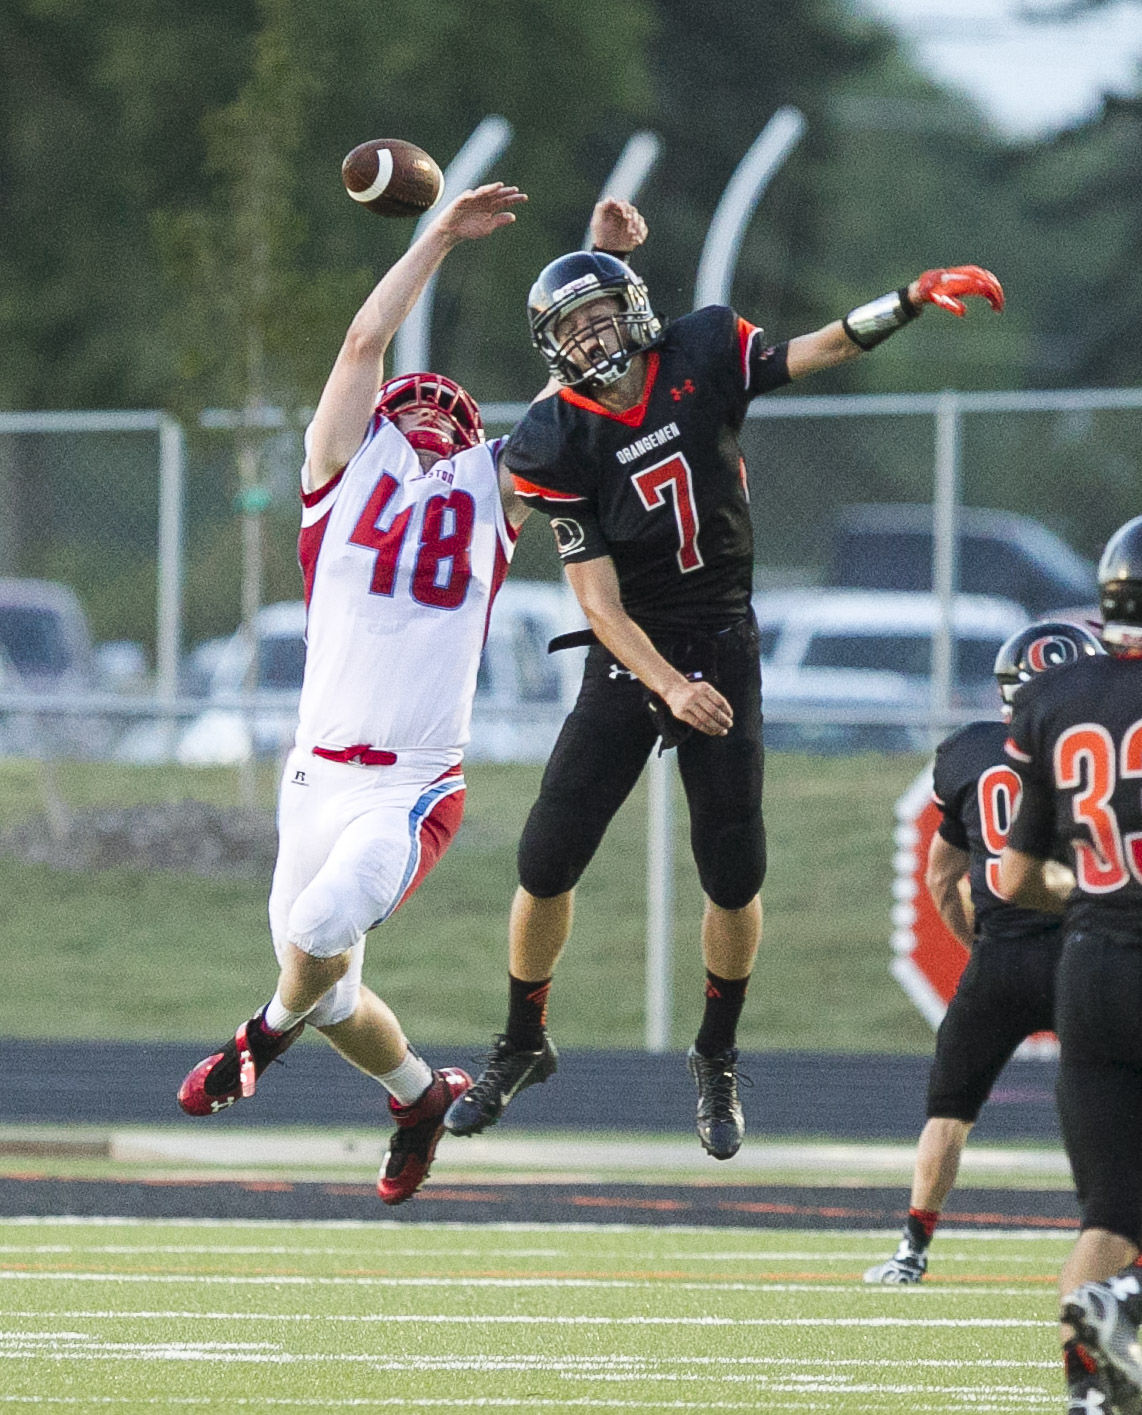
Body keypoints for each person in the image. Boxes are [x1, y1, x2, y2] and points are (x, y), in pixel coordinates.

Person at [443, 202, 1006, 1158]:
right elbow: (601, 606)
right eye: (569, 329)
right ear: (553, 348)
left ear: (634, 308)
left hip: (725, 642)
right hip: (637, 659)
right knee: (547, 856)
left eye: (599, 314)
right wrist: (667, 685)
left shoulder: (700, 352)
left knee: (734, 871)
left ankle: (716, 1055)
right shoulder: (554, 438)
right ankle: (522, 1039)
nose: (591, 338)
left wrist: (908, 299)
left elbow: (816, 348)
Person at [176, 180, 531, 1207]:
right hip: (314, 774)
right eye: (406, 409)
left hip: (410, 784)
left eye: (443, 416)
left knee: (321, 930)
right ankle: (419, 1099)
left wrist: (602, 266)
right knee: (333, 990)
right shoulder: (340, 474)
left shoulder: (489, 495)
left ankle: (252, 1043)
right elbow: (363, 338)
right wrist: (434, 239)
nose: (422, 421)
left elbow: (577, 408)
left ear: (472, 442)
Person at [864, 620, 1103, 1285]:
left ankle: (911, 1249)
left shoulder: (968, 751)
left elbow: (942, 876)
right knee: (1108, 1098)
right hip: (1078, 951)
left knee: (948, 1111)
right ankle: (1119, 1239)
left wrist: (982, 947)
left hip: (998, 957)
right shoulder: (1089, 750)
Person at [998, 515, 1142, 1415]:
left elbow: (1013, 876)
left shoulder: (1054, 695)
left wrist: (1095, 892)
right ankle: (1121, 1307)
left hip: (1089, 966)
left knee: (1108, 1216)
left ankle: (1091, 1393)